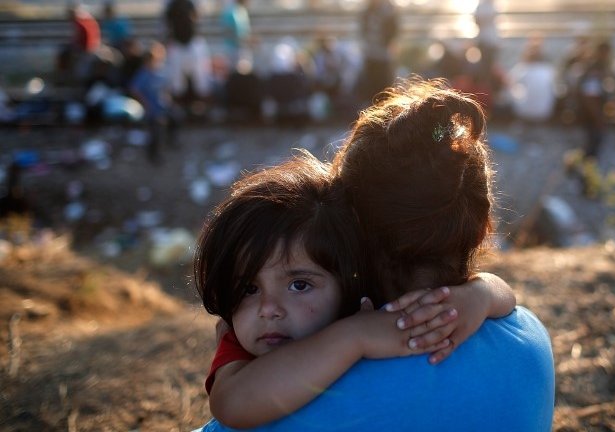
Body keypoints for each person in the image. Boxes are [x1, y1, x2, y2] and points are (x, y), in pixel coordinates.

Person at [196, 78, 554, 431]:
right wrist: (483, 292)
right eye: (248, 289)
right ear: (480, 227)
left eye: (299, 284)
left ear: (346, 234)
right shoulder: (533, 342)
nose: (269, 308)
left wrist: (355, 335)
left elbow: (231, 406)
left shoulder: (295, 401)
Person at [129, 41, 177, 164]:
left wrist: (168, 97)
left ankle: (172, 141)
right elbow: (134, 89)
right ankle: (154, 155)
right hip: (152, 110)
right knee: (156, 131)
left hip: (163, 106)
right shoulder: (144, 74)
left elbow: (166, 88)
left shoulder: (160, 72)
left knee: (176, 118)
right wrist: (145, 102)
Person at [164, 0, 212, 106]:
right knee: (176, 76)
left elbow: (197, 15)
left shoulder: (191, 4)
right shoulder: (172, 4)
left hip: (192, 41)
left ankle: (202, 103)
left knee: (200, 74)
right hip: (177, 42)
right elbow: (168, 22)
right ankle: (179, 105)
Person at [357, 0, 399, 103]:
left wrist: (389, 43)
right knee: (371, 87)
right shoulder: (368, 10)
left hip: (383, 56)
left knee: (385, 88)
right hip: (370, 55)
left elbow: (393, 30)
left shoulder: (389, 10)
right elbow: (363, 28)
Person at [508, 35, 557, 121]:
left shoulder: (522, 68)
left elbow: (509, 81)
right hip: (545, 111)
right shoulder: (548, 70)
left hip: (524, 111)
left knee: (514, 88)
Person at [220, 0, 252, 71]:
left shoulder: (243, 11)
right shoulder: (230, 12)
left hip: (242, 49)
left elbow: (245, 32)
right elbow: (228, 32)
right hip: (232, 50)